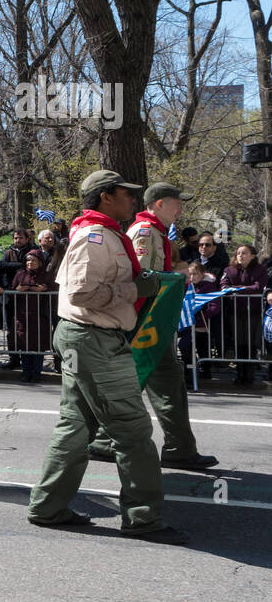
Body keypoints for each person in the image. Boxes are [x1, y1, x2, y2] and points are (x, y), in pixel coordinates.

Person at [27, 170, 186, 544]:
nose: (133, 199)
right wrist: (136, 288)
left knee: (76, 424)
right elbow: (82, 293)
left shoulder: (102, 232)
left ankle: (48, 507)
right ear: (103, 197)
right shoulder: (94, 235)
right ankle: (143, 517)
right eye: (124, 193)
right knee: (131, 430)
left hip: (87, 337)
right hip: (93, 339)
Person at [87, 183, 218, 467]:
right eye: (176, 202)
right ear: (159, 203)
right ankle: (108, 441)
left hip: (155, 322)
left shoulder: (158, 233)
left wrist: (179, 271)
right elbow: (143, 279)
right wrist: (174, 274)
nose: (180, 207)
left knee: (166, 381)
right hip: (143, 322)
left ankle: (177, 448)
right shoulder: (144, 233)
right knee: (141, 381)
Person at [219, 243, 270, 385]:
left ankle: (249, 374)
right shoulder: (229, 270)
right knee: (239, 343)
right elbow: (224, 286)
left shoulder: (261, 269)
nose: (240, 256)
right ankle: (239, 373)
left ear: (253, 255)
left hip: (253, 312)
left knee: (250, 344)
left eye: (244, 253)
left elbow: (258, 287)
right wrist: (239, 289)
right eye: (238, 253)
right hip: (235, 311)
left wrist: (237, 289)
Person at [11, 249, 54, 382]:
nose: (30, 263)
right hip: (23, 315)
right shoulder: (20, 274)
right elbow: (12, 288)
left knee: (38, 345)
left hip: (40, 316)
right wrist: (19, 290)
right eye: (28, 260)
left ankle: (36, 373)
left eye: (33, 260)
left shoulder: (45, 275)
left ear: (40, 262)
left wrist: (38, 289)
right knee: (24, 344)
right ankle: (26, 372)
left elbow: (51, 288)